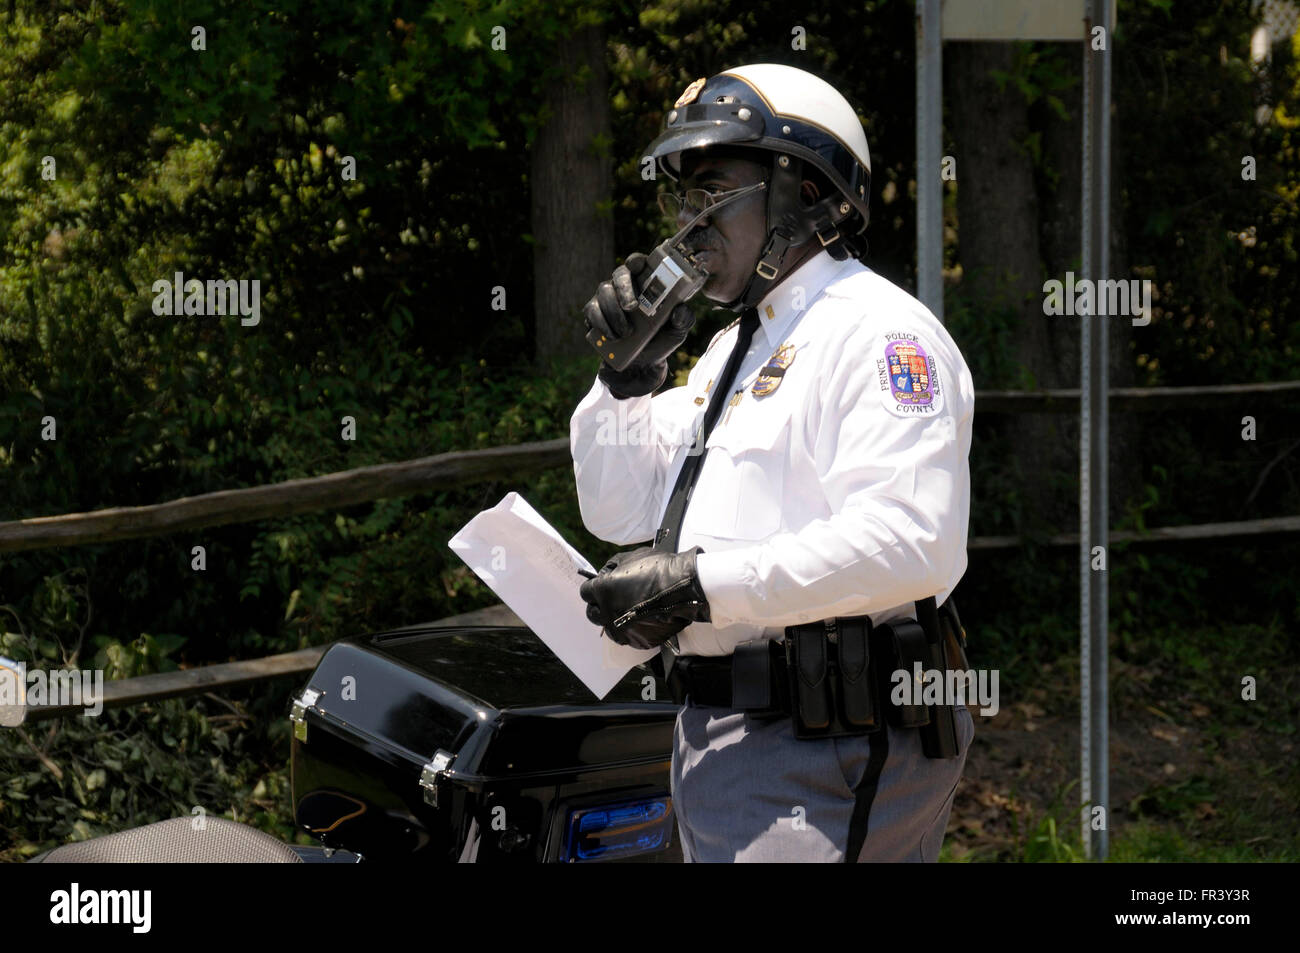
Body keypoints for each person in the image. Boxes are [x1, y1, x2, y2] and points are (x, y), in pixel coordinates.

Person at [570, 63, 975, 862]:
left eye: (713, 190)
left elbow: (915, 542)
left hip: (825, 738)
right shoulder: (733, 347)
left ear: (808, 194)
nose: (689, 223)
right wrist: (621, 385)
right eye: (682, 197)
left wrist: (696, 584)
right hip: (717, 731)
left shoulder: (880, 333)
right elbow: (616, 511)